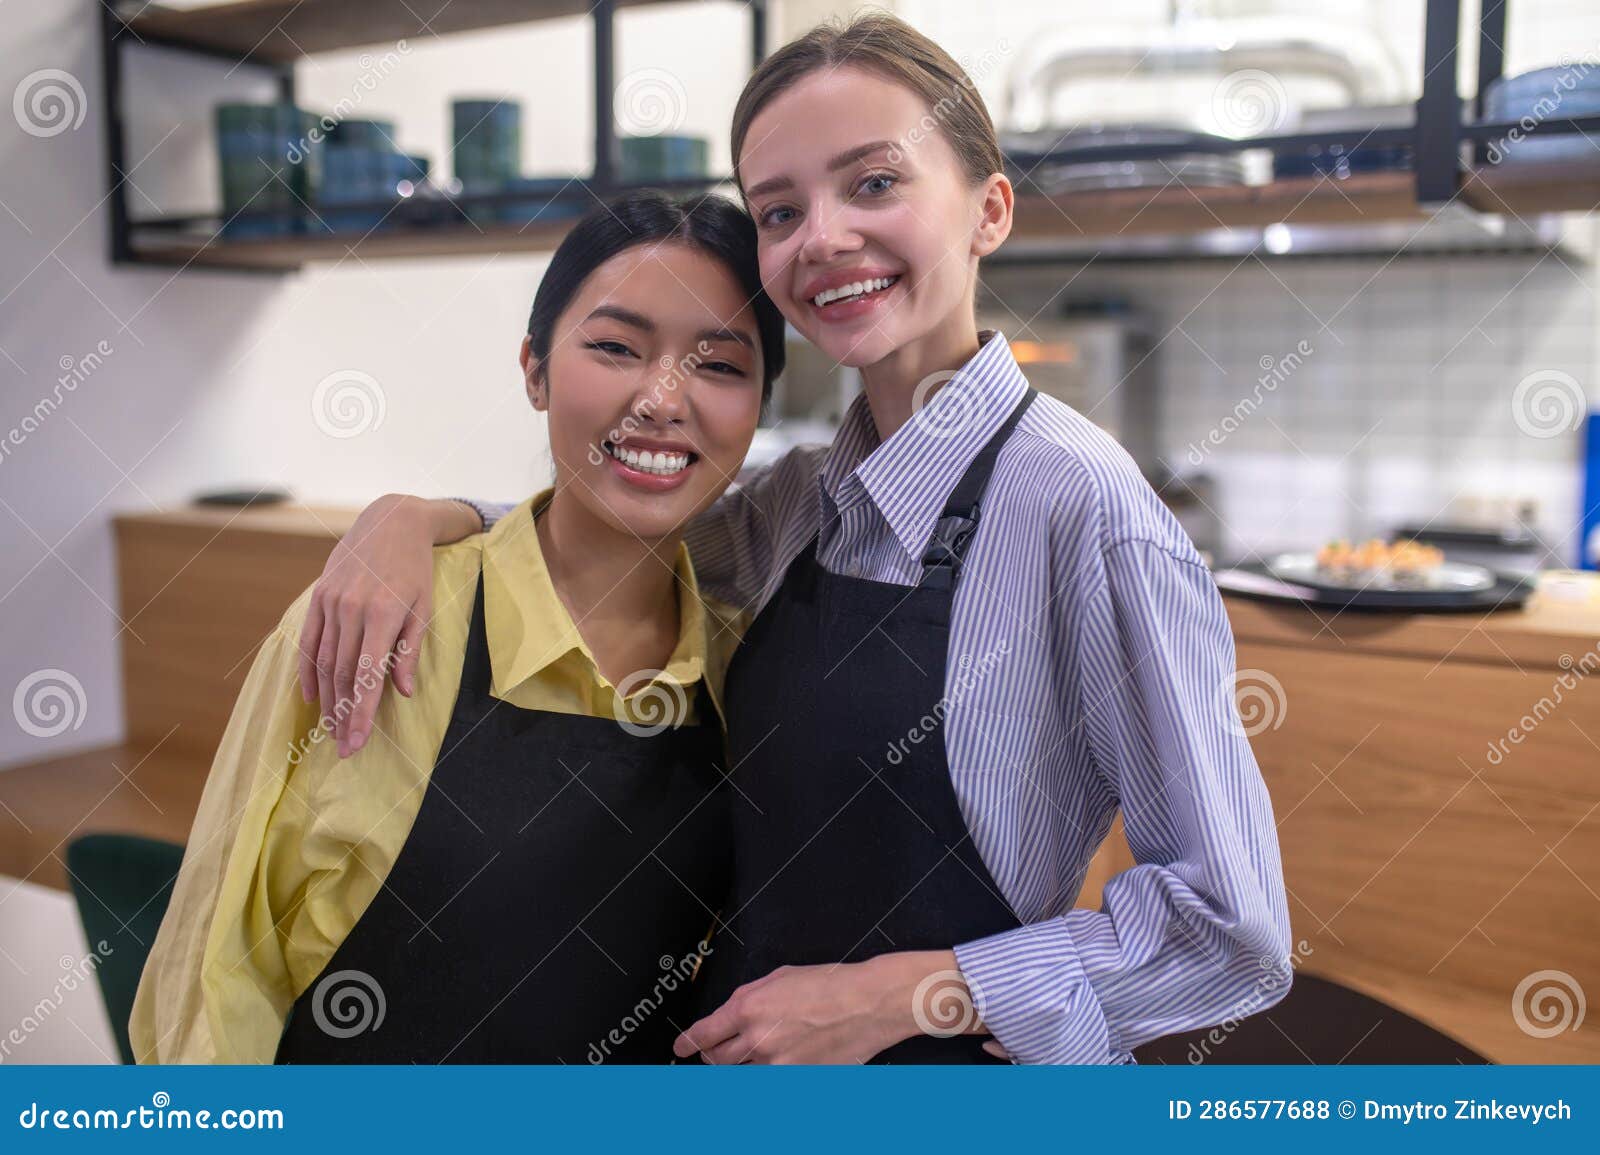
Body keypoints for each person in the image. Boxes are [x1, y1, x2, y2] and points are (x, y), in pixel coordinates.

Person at [297, 14, 1294, 1065]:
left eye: (874, 183)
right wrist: (421, 518)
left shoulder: (1086, 510)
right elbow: (604, 541)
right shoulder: (801, 499)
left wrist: (902, 996)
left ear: (988, 210)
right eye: (780, 210)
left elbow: (1230, 934)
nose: (821, 238)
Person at [128, 190, 785, 1063]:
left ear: (761, 404)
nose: (662, 400)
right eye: (616, 347)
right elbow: (213, 978)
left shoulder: (751, 666)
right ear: (534, 369)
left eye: (720, 364)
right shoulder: (379, 618)